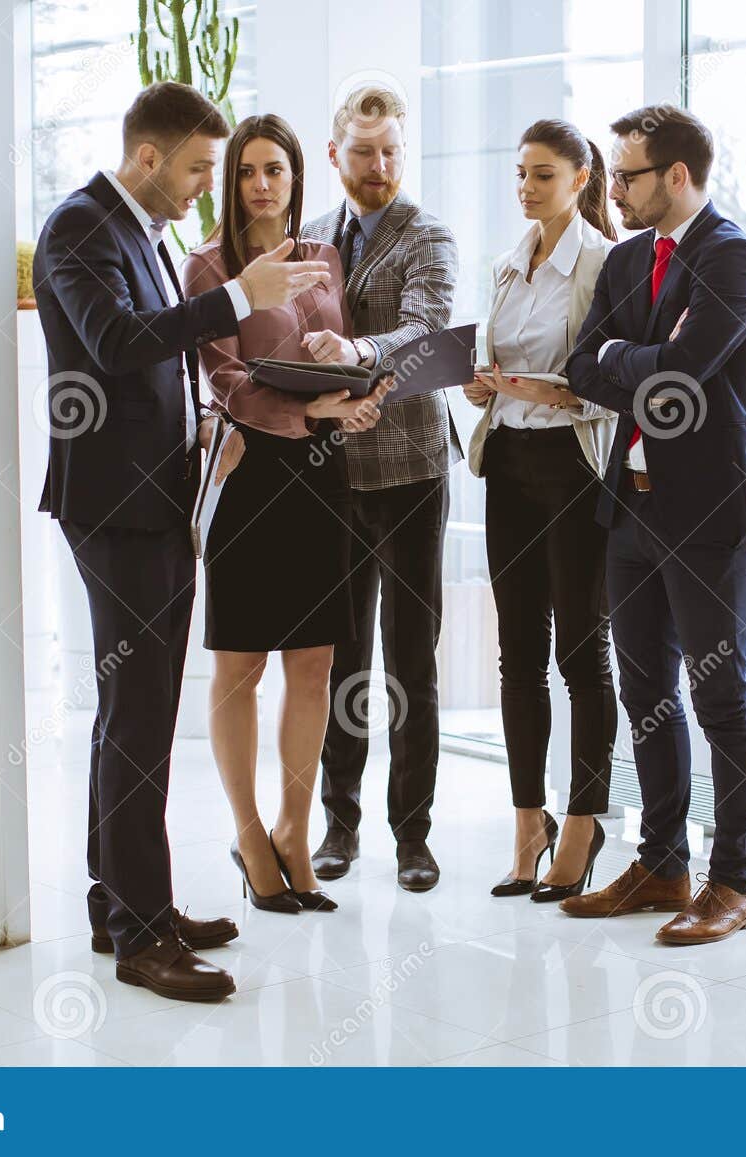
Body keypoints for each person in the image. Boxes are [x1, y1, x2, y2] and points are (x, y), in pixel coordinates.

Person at [33, 82, 332, 1001]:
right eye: (203, 166)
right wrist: (243, 294)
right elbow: (118, 342)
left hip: (156, 499)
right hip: (114, 507)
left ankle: (123, 903)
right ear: (149, 157)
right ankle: (141, 935)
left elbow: (153, 362)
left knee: (138, 710)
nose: (211, 186)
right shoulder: (82, 227)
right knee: (139, 715)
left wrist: (199, 426)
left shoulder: (144, 236)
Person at [560, 105, 746, 945]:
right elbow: (583, 367)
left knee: (718, 696)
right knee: (643, 690)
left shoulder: (734, 259)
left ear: (677, 175)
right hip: (632, 504)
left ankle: (735, 882)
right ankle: (661, 863)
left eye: (629, 175)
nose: (615, 188)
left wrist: (621, 360)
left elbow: (681, 375)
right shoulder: (623, 261)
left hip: (708, 512)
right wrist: (620, 363)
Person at [184, 114, 391, 917]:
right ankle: (247, 831)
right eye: (248, 171)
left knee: (314, 664)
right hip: (251, 474)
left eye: (276, 169)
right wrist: (319, 417)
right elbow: (226, 380)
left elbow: (335, 351)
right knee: (241, 665)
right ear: (232, 180)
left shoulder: (324, 257)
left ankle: (295, 833)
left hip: (322, 478)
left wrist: (359, 395)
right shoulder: (208, 267)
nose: (263, 184)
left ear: (297, 178)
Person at [299, 84, 460, 892]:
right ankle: (340, 824)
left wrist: (356, 352)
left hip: (411, 472)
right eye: (363, 152)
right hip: (332, 472)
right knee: (341, 656)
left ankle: (413, 836)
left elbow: (424, 331)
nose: (379, 165)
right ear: (335, 156)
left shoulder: (428, 234)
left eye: (391, 150)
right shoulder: (309, 239)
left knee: (410, 660)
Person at [459, 119, 618, 902]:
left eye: (544, 174)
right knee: (516, 654)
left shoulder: (600, 266)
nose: (527, 187)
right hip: (510, 466)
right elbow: (493, 363)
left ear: (581, 179)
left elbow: (609, 384)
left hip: (572, 467)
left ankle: (584, 825)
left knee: (581, 653)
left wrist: (553, 390)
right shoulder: (507, 263)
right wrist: (482, 384)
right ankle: (529, 823)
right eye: (521, 172)